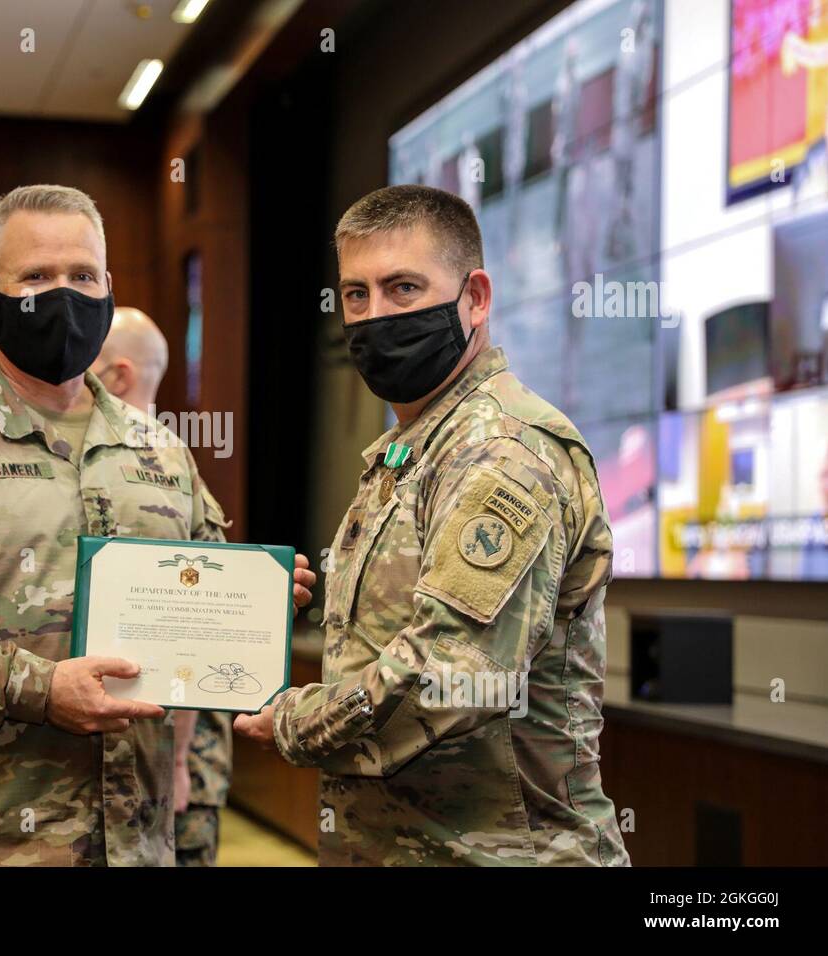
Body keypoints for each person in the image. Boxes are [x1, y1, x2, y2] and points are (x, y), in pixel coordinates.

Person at [0, 184, 312, 866]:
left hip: (135, 844)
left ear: (108, 285)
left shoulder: (159, 450)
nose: (64, 296)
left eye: (82, 276)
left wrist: (251, 608)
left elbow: (201, 595)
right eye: (37, 278)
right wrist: (38, 690)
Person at [235, 184, 629, 867]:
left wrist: (298, 722)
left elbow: (449, 676)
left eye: (404, 288)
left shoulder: (502, 451)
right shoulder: (411, 452)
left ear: (474, 297)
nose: (374, 315)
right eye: (356, 295)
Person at [90, 307, 234, 868]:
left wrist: (176, 758)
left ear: (120, 375)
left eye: (91, 366)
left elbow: (201, 626)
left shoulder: (169, 466)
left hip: (175, 744)